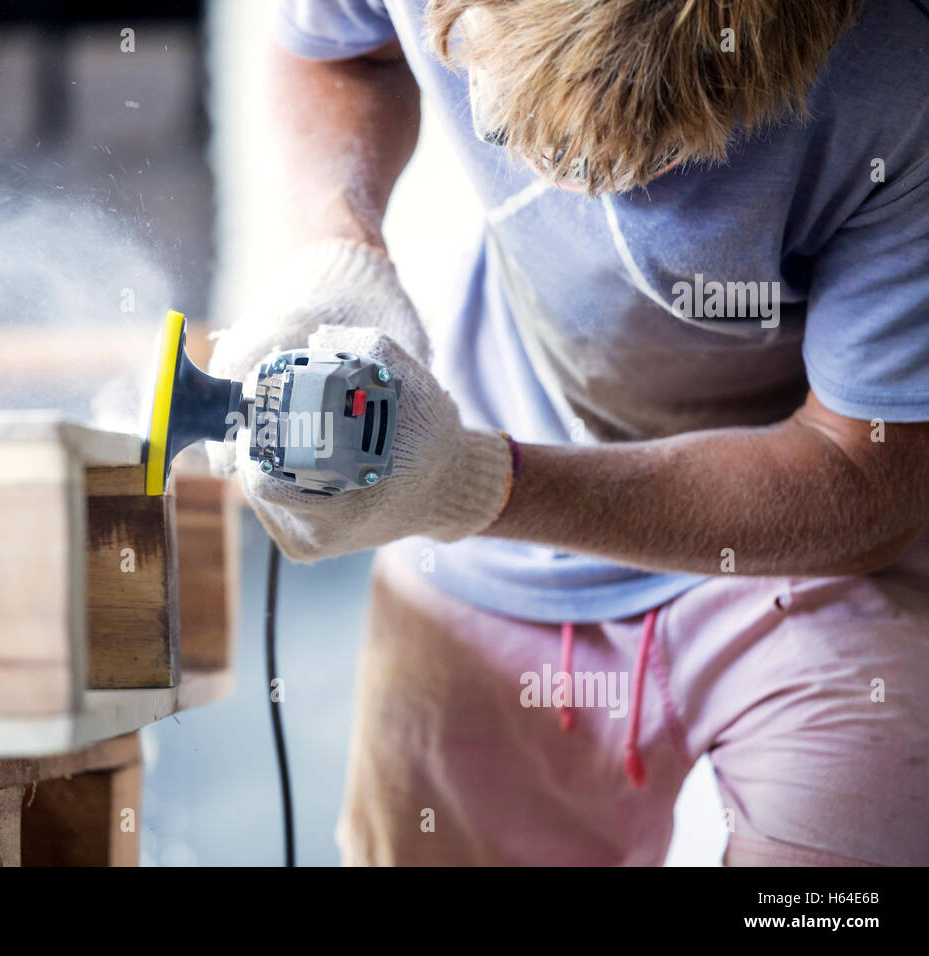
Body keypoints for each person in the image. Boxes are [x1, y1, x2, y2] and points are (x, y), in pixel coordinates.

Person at [207, 0, 929, 866]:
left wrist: (474, 484)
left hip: (809, 541)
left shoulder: (902, 80)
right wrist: (334, 243)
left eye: (643, 158)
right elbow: (335, 53)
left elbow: (864, 475)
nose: (571, 184)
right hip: (497, 527)